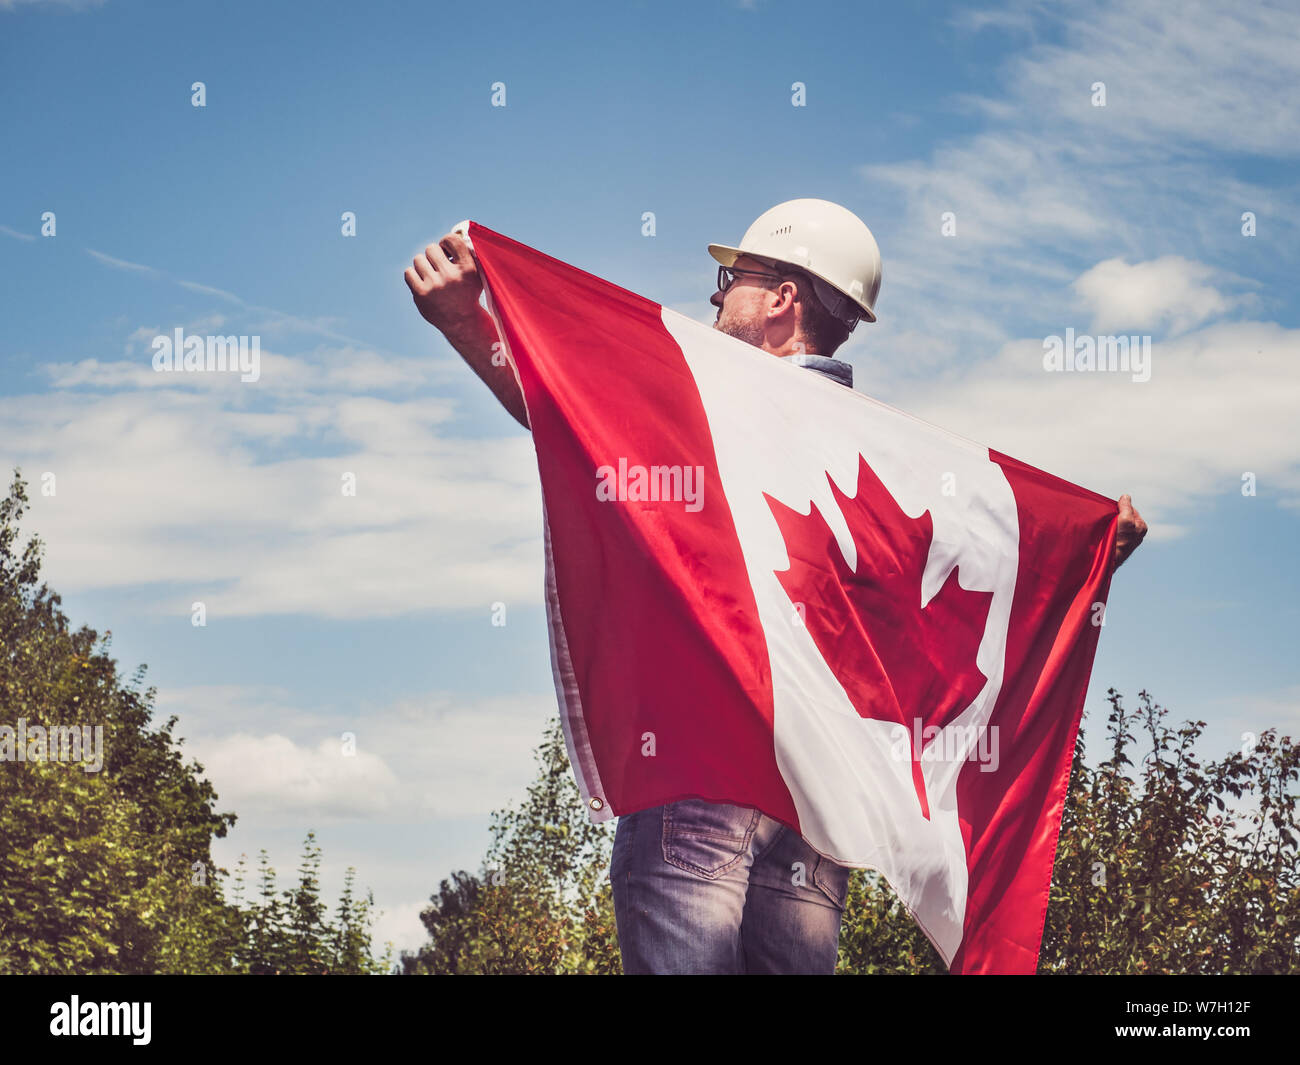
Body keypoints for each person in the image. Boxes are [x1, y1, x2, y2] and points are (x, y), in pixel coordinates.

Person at [404, 199, 1148, 975]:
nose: (716, 297)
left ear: (782, 299)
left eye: (733, 279)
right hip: (815, 814)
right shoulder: (884, 463)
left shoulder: (708, 395)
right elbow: (978, 602)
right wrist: (1092, 557)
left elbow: (570, 410)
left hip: (700, 777)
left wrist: (465, 321)